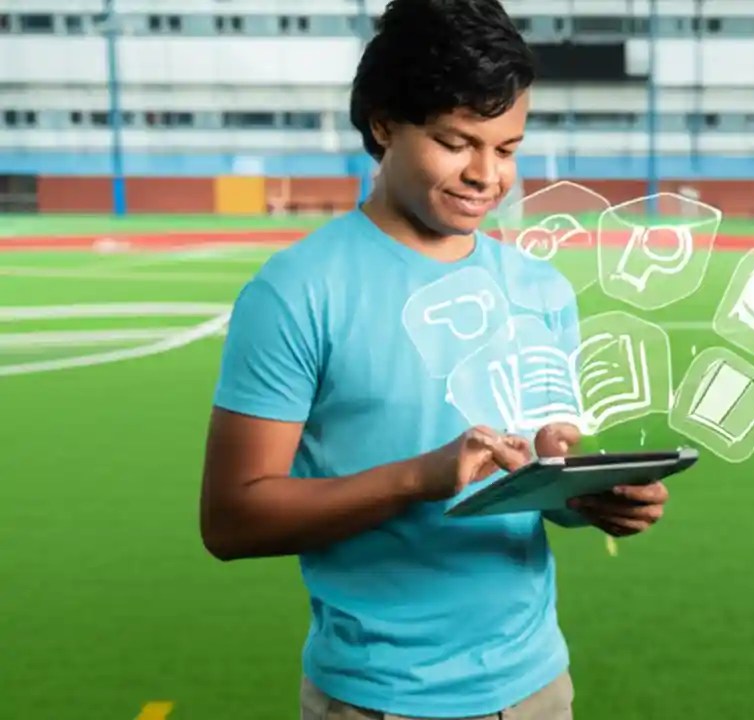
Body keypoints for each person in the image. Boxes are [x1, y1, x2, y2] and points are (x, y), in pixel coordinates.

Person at [198, 1, 670, 718]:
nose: (488, 175)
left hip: (539, 686)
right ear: (385, 123)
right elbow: (231, 521)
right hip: (377, 699)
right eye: (457, 141)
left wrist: (584, 494)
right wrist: (418, 477)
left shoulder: (541, 290)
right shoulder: (295, 292)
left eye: (508, 148)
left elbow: (537, 471)